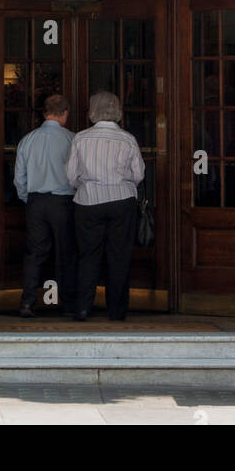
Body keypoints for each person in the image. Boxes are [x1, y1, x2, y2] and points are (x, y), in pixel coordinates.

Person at [66, 91, 145, 323]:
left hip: (88, 201)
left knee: (88, 256)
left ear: (93, 110)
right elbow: (138, 174)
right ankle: (117, 311)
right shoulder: (128, 139)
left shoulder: (80, 138)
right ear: (117, 110)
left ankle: (83, 308)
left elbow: (70, 175)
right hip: (122, 201)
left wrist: (85, 185)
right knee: (119, 256)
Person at [14, 93, 77, 319]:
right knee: (66, 252)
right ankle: (68, 303)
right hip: (63, 202)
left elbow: (19, 178)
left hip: (36, 202)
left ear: (44, 113)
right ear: (65, 114)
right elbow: (77, 175)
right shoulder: (72, 139)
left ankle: (27, 302)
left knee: (35, 253)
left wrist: (28, 198)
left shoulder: (28, 140)